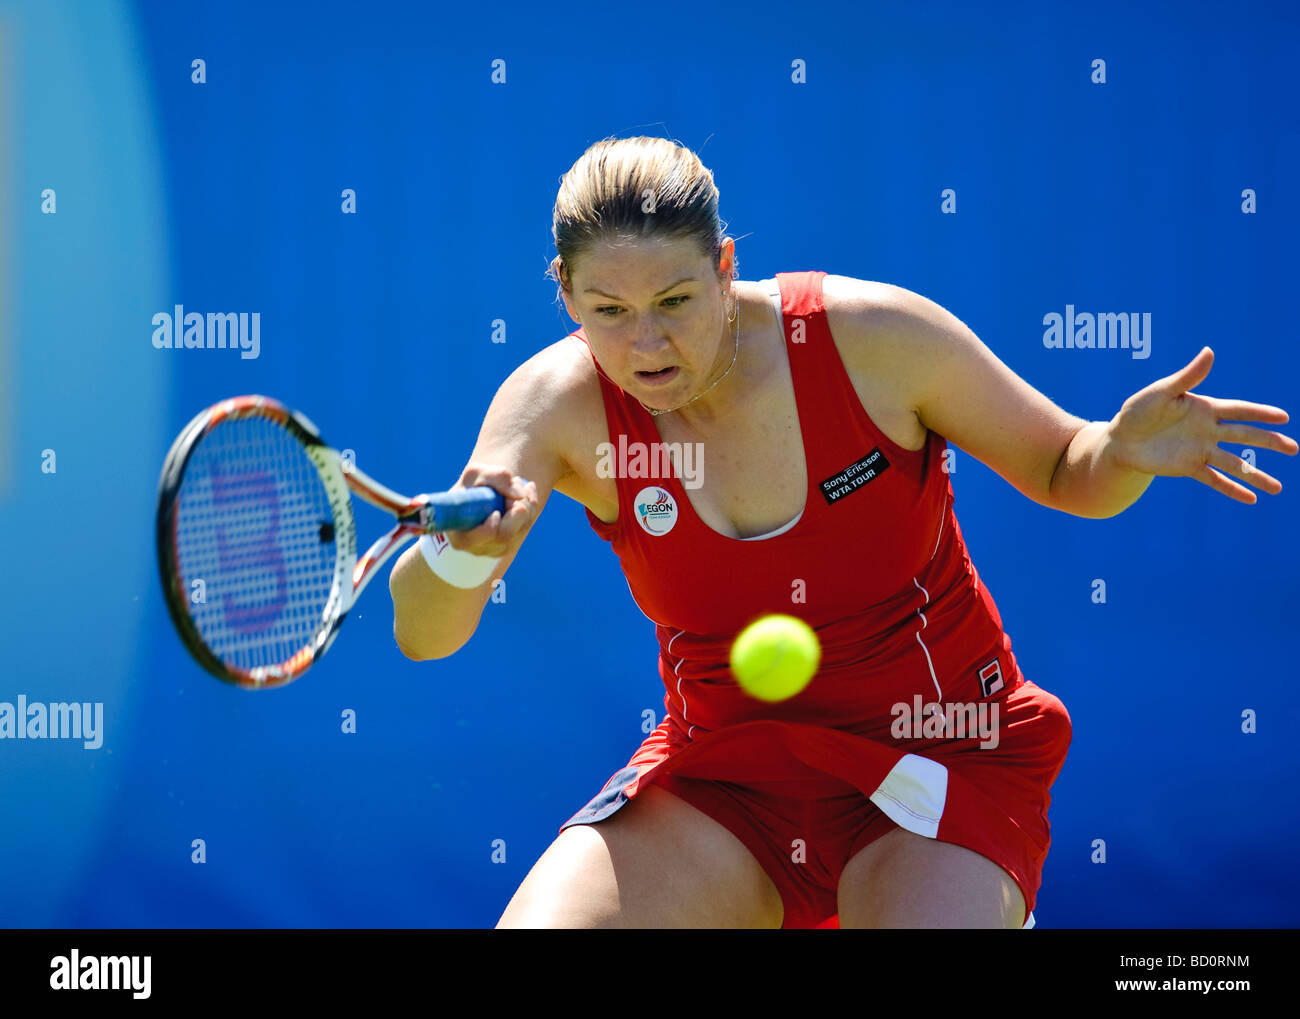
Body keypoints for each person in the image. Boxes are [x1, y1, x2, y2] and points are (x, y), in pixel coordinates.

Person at [388, 136, 1296, 929]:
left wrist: (1121, 449)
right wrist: (463, 558)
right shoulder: (554, 407)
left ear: (724, 266)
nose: (648, 344)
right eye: (609, 312)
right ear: (566, 297)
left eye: (674, 300)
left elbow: (1066, 467)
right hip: (727, 774)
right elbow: (422, 633)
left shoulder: (873, 341)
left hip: (943, 750)